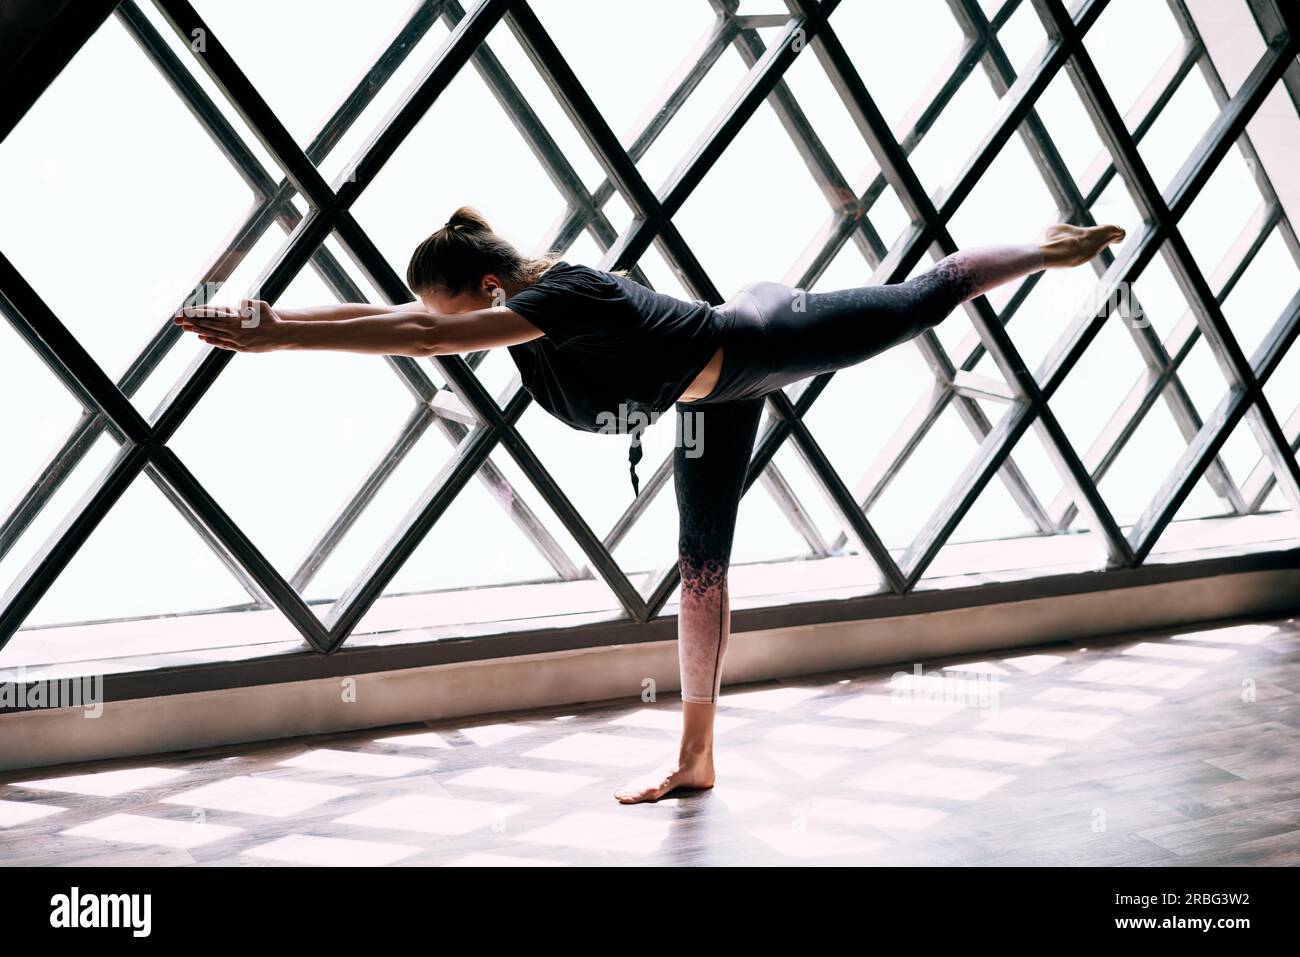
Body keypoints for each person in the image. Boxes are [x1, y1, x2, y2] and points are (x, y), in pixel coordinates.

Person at [176, 206, 1125, 804]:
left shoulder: (568, 293)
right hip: (709, 403)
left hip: (760, 339)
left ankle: (1043, 246)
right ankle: (696, 756)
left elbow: (420, 333)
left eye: (458, 312)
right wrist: (274, 322)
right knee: (699, 572)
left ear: (493, 290)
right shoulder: (517, 317)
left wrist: (277, 340)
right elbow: (399, 316)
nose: (450, 327)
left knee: (916, 301)